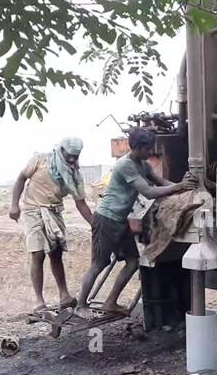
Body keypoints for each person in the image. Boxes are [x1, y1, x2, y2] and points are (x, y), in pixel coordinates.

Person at [77, 128, 196, 314]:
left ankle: (110, 303)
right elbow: (148, 192)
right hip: (106, 218)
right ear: (137, 148)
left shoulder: (143, 164)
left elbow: (161, 183)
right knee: (99, 264)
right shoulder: (125, 165)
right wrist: (179, 187)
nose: (151, 152)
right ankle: (80, 305)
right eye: (148, 148)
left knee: (133, 263)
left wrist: (184, 186)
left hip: (120, 220)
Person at [9, 137, 94, 313]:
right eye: (69, 155)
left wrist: (95, 225)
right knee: (38, 254)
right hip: (33, 211)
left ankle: (64, 296)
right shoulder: (40, 159)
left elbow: (81, 203)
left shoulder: (74, 174)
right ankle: (39, 302)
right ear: (62, 150)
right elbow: (21, 179)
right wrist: (14, 204)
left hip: (54, 212)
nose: (72, 159)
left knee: (56, 254)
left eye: (75, 156)